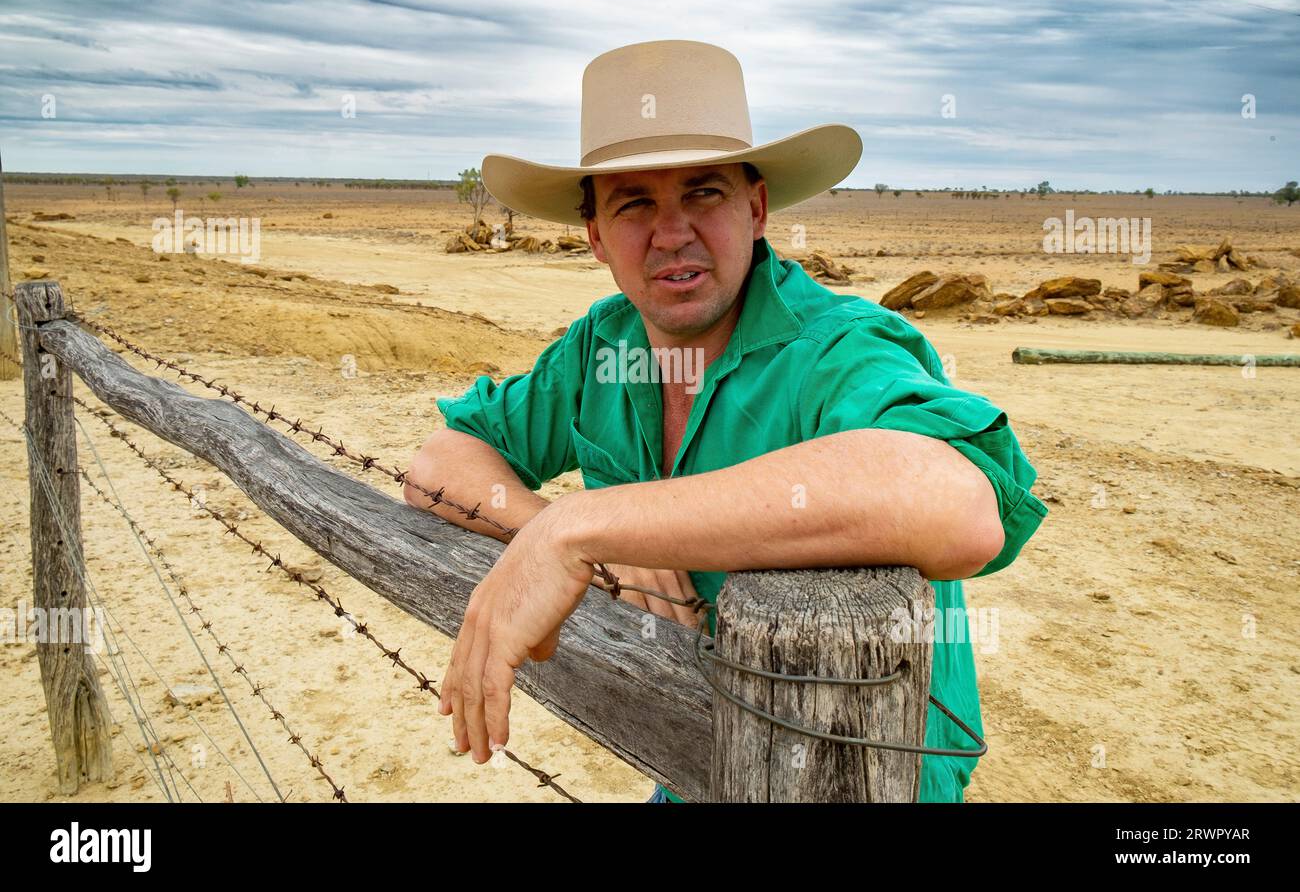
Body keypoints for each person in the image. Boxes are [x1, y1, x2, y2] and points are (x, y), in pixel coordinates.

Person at [404, 39, 1048, 802]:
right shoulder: (601, 347)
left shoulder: (837, 347)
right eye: (634, 202)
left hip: (869, 773)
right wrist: (551, 527)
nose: (671, 232)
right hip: (697, 749)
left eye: (704, 193)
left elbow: (957, 506)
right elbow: (441, 461)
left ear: (757, 207)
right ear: (596, 236)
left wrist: (589, 527)